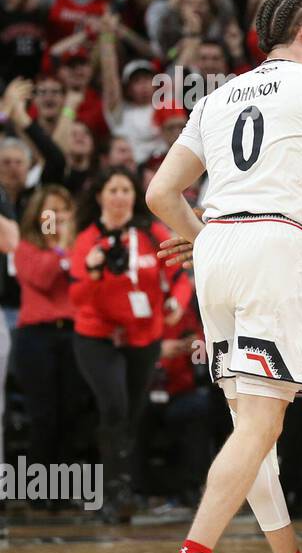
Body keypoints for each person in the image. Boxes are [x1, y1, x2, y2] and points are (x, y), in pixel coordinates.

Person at [141, 0, 302, 553]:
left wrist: (201, 235)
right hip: (276, 245)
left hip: (219, 249)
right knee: (261, 425)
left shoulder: (216, 98)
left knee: (253, 424)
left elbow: (161, 191)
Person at [69, 166, 186, 523]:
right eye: (113, 190)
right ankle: (113, 489)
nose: (119, 196)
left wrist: (177, 304)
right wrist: (91, 273)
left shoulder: (151, 233)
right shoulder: (87, 238)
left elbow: (181, 276)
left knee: (131, 414)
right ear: (100, 196)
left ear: (134, 196)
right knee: (114, 406)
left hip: (144, 336)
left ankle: (120, 489)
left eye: (125, 190)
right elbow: (76, 296)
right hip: (97, 337)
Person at [12, 186, 86, 501]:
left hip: (72, 334)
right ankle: (37, 491)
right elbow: (42, 277)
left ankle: (66, 491)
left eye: (63, 209)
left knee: (71, 412)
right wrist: (59, 248)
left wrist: (69, 249)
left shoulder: (79, 248)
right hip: (36, 337)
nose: (57, 216)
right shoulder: (25, 247)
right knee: (43, 415)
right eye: (50, 210)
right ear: (38, 214)